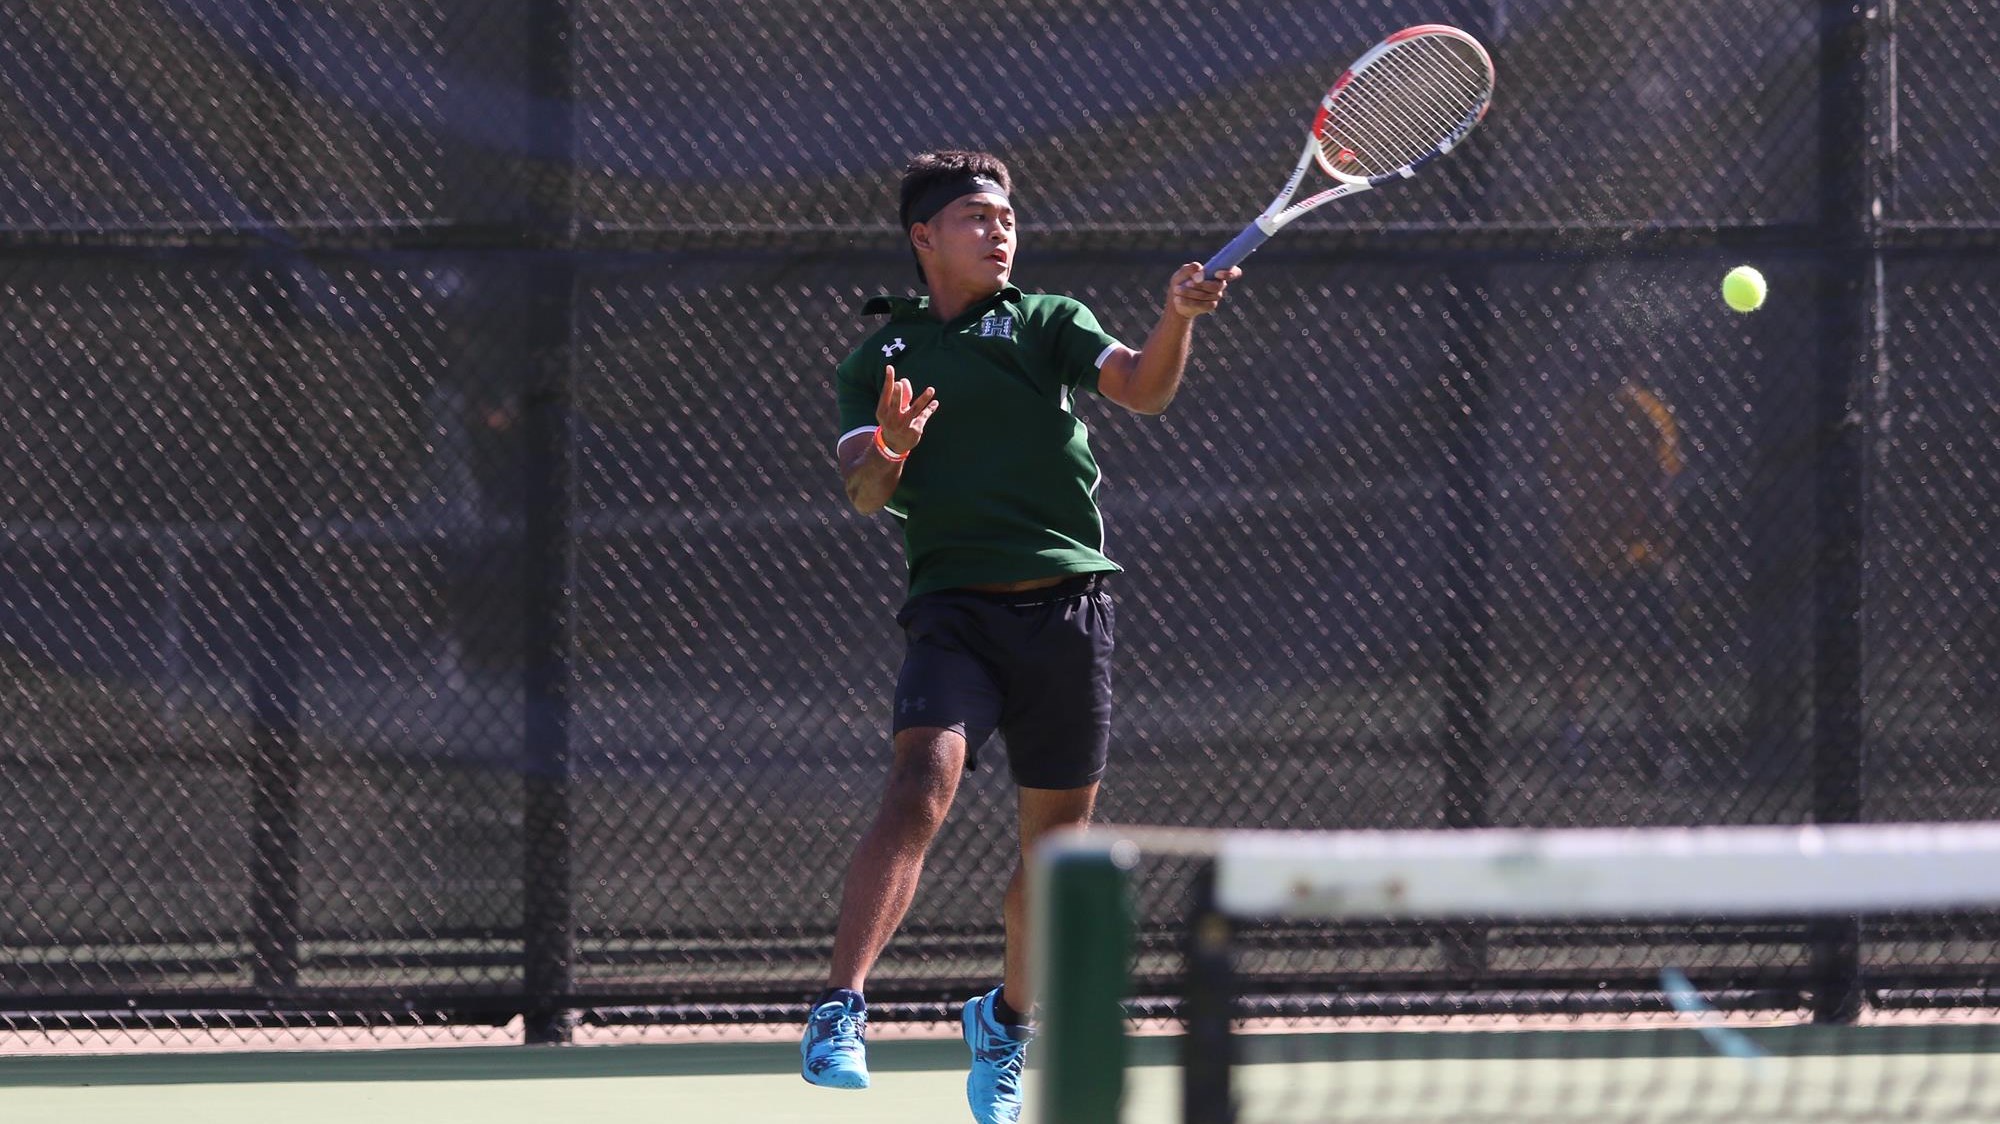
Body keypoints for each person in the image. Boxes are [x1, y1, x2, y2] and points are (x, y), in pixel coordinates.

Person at [801, 150, 1238, 1123]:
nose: (998, 230)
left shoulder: (1046, 321)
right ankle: (840, 1006)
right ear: (923, 238)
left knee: (1056, 857)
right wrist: (895, 446)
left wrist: (1178, 318)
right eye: (972, 217)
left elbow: (1140, 389)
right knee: (920, 781)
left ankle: (1004, 1021)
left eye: (1005, 216)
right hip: (953, 607)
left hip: (1069, 613)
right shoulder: (876, 361)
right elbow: (865, 491)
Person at [1545, 376, 1689, 790]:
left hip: (1637, 553)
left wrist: (1659, 533)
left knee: (1654, 651)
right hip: (1588, 552)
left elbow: (1660, 478)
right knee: (1576, 651)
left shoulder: (1645, 409)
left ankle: (1651, 740)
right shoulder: (1581, 415)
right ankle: (1575, 743)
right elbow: (1562, 477)